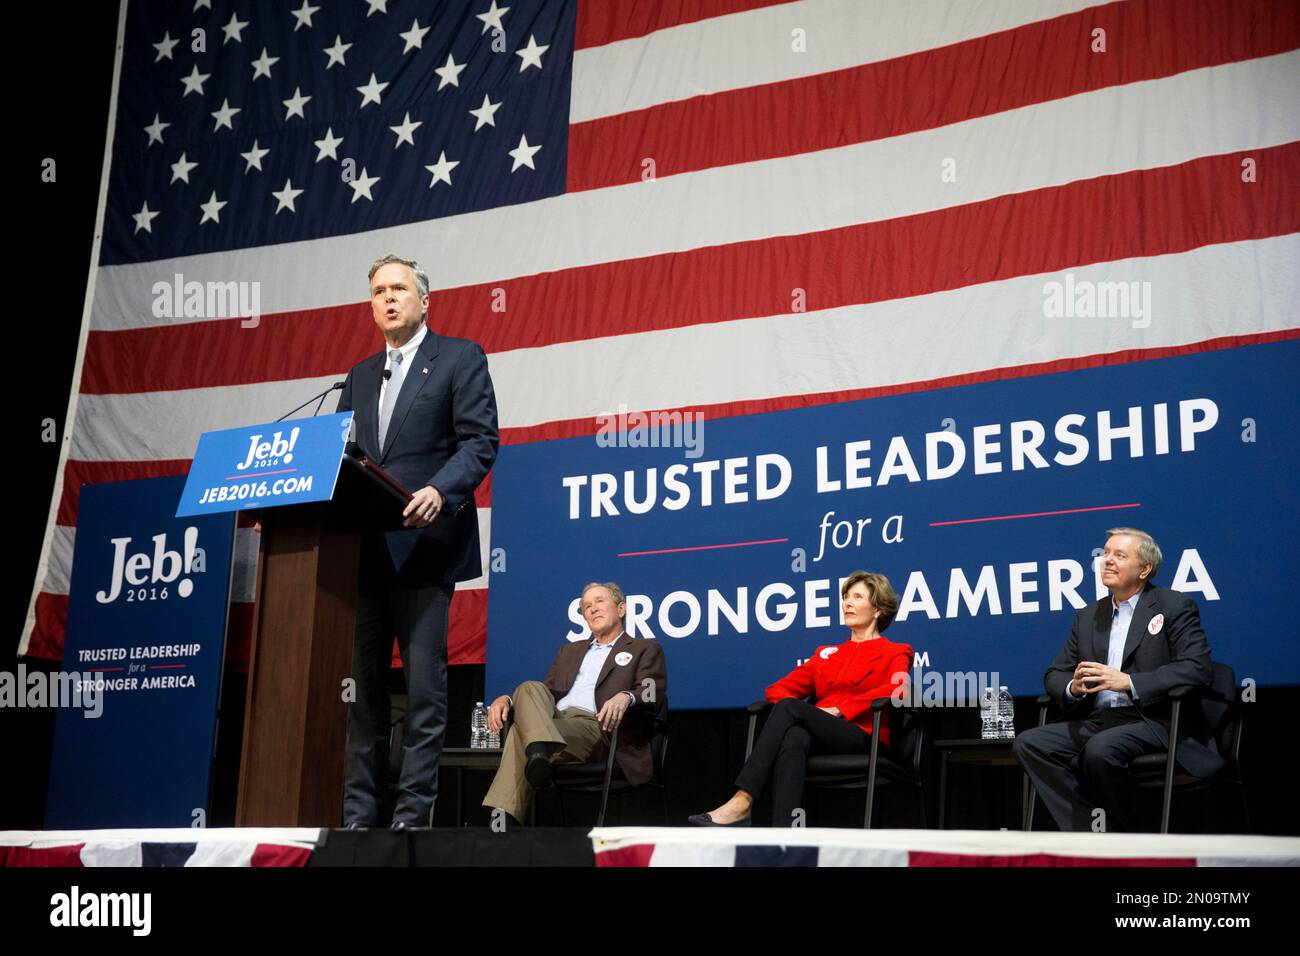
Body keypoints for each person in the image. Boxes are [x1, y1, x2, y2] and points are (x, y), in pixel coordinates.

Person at [338, 254, 498, 830]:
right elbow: (343, 460)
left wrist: (441, 489)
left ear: (424, 300)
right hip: (365, 554)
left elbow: (480, 442)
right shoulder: (357, 376)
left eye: (399, 288)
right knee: (363, 696)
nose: (389, 298)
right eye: (379, 290)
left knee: (426, 692)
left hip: (426, 548)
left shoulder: (458, 358)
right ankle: (358, 815)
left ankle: (411, 818)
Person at [1014, 527, 1221, 832]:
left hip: (1155, 719)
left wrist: (1130, 682)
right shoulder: (1088, 616)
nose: (1107, 560)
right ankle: (1091, 831)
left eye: (1119, 555)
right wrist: (1073, 687)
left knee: (1101, 750)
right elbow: (1054, 674)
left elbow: (1196, 667)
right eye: (1105, 553)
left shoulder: (1173, 606)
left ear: (1145, 569)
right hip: (1101, 719)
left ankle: (1124, 836)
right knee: (1029, 743)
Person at [690, 571, 913, 827]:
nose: (847, 603)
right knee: (795, 735)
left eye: (857, 597)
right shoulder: (827, 654)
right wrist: (815, 715)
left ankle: (744, 799)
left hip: (864, 736)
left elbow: (899, 690)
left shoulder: (896, 651)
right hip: (824, 735)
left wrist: (840, 710)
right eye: (845, 597)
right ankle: (785, 838)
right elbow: (777, 689)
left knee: (789, 710)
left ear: (877, 610)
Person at [482, 582, 667, 825]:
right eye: (586, 606)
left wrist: (627, 696)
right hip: (555, 721)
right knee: (528, 687)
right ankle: (538, 754)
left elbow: (652, 693)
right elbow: (544, 693)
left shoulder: (645, 648)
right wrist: (506, 700)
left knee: (519, 732)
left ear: (621, 609)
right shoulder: (569, 651)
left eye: (600, 601)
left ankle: (502, 824)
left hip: (597, 727)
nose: (592, 609)